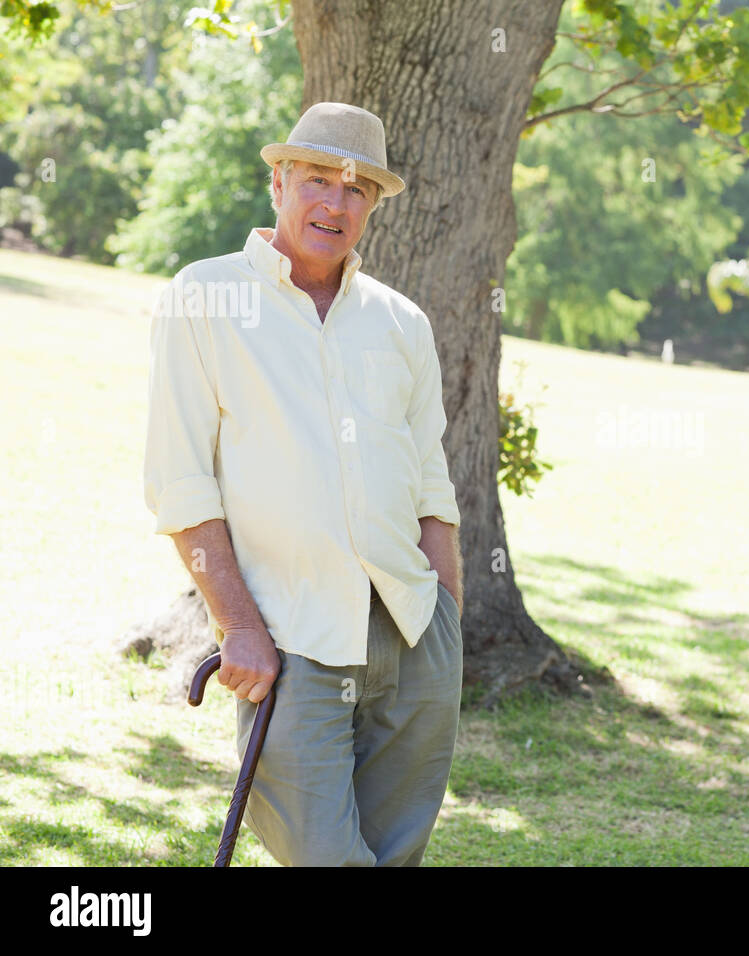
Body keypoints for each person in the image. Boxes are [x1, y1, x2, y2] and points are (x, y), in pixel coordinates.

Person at [142, 102, 464, 866]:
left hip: (413, 631)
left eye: (356, 190)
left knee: (396, 855)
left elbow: (431, 483)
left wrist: (447, 617)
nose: (334, 203)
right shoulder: (203, 297)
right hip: (289, 635)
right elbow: (179, 482)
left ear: (373, 205)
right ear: (279, 181)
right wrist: (238, 625)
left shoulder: (401, 322)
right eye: (317, 179)